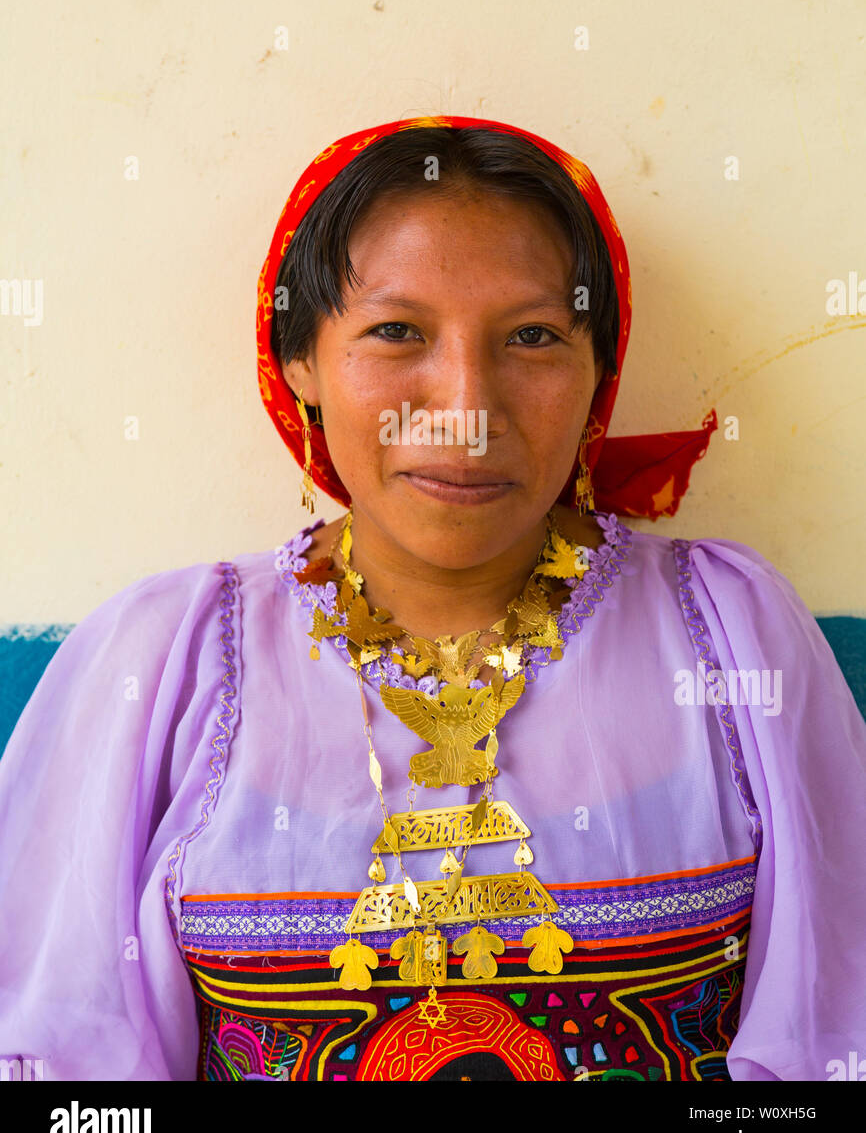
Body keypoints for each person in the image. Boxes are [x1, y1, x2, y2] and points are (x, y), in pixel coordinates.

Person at [1, 114, 864, 1082]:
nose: (464, 404)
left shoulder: (731, 643)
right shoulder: (167, 665)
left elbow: (832, 1054)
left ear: (594, 379)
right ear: (302, 366)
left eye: (532, 336)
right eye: (396, 331)